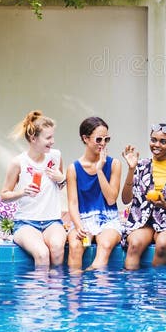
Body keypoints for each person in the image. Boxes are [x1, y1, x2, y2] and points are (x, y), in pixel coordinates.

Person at [1, 110, 67, 268]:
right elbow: (4, 195)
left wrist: (62, 179)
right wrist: (23, 192)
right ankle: (38, 292)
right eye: (48, 138)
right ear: (33, 138)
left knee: (57, 248)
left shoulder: (55, 156)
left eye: (53, 136)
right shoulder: (18, 163)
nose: (53, 141)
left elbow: (62, 185)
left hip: (52, 221)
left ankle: (55, 292)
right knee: (42, 254)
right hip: (26, 222)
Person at [121, 123, 166, 270]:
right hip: (142, 222)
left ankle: (159, 288)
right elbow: (126, 199)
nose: (156, 145)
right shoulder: (141, 165)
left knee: (163, 244)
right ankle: (132, 290)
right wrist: (131, 169)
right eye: (153, 140)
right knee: (134, 245)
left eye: (163, 141)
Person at [66, 116, 122, 271]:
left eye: (106, 139)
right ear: (85, 138)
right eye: (99, 139)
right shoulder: (73, 168)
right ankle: (75, 291)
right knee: (76, 246)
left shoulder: (114, 164)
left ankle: (97, 291)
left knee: (104, 245)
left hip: (108, 219)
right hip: (83, 219)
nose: (103, 144)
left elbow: (111, 199)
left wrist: (99, 170)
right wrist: (78, 226)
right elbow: (72, 203)